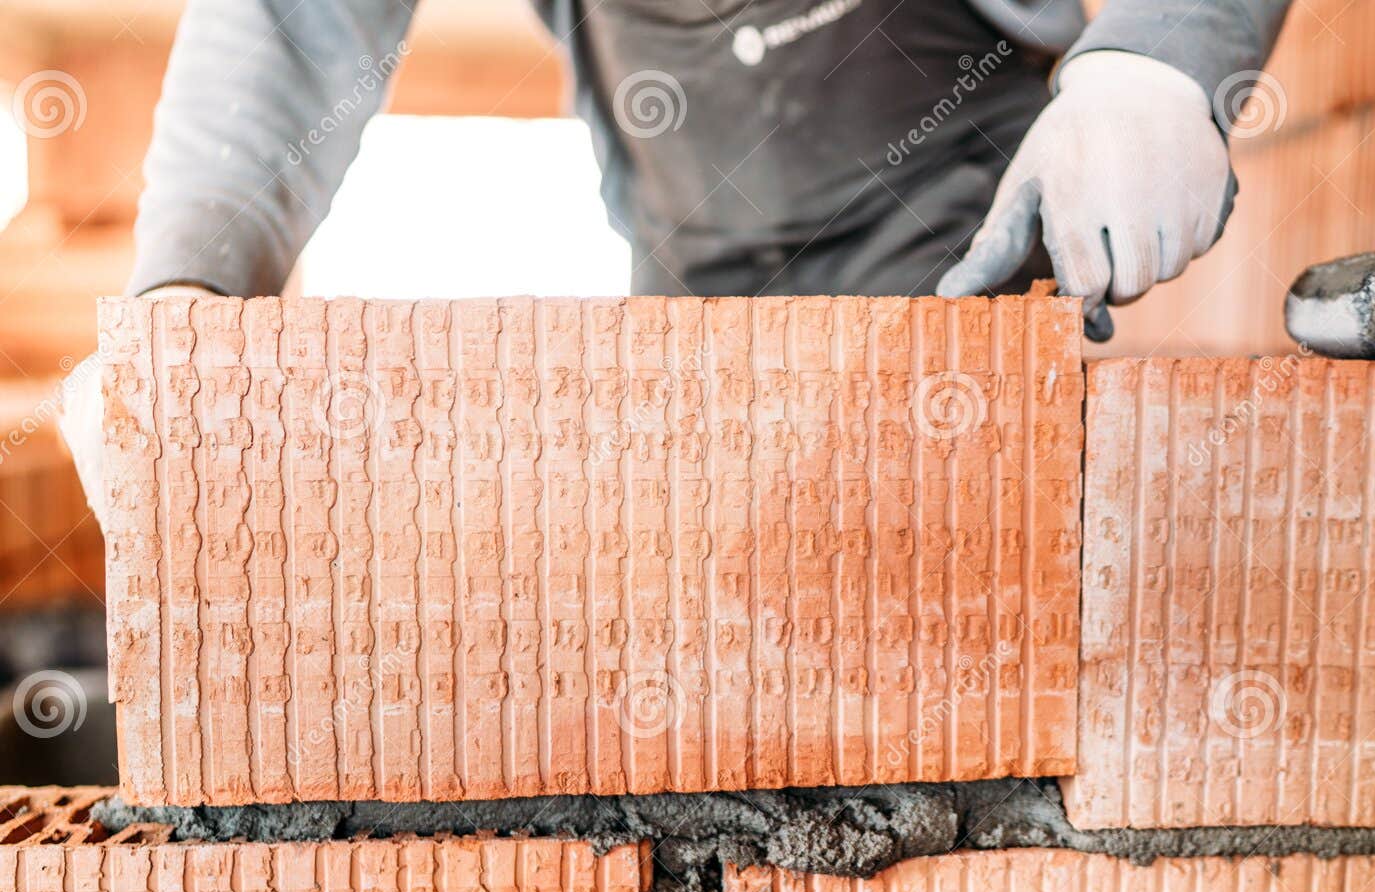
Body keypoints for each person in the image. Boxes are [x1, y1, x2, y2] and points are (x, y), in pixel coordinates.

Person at [64, 0, 1290, 516]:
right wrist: (181, 304)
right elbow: (290, 20)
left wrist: (1161, 55)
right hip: (694, 364)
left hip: (971, 313)